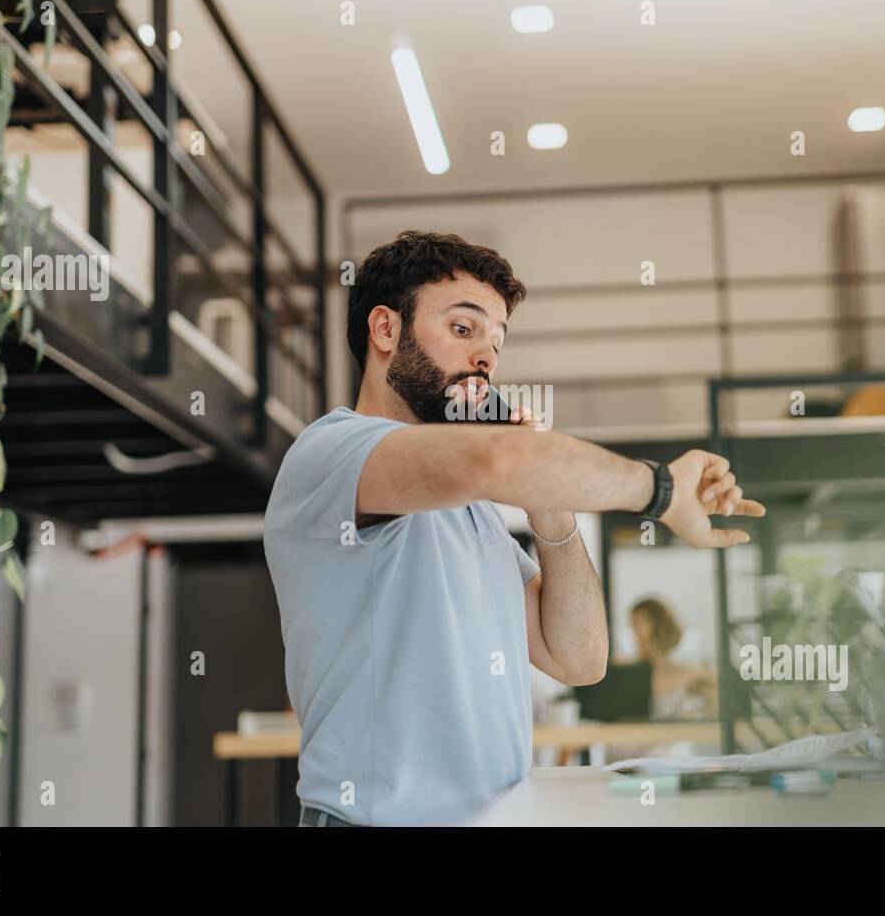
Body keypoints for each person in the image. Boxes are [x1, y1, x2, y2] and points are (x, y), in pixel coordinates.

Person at [263, 230, 765, 826]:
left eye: (497, 344)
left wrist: (549, 506)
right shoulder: (332, 452)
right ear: (386, 330)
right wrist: (662, 491)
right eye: (463, 328)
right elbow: (496, 460)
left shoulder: (470, 508)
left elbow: (578, 659)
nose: (486, 358)